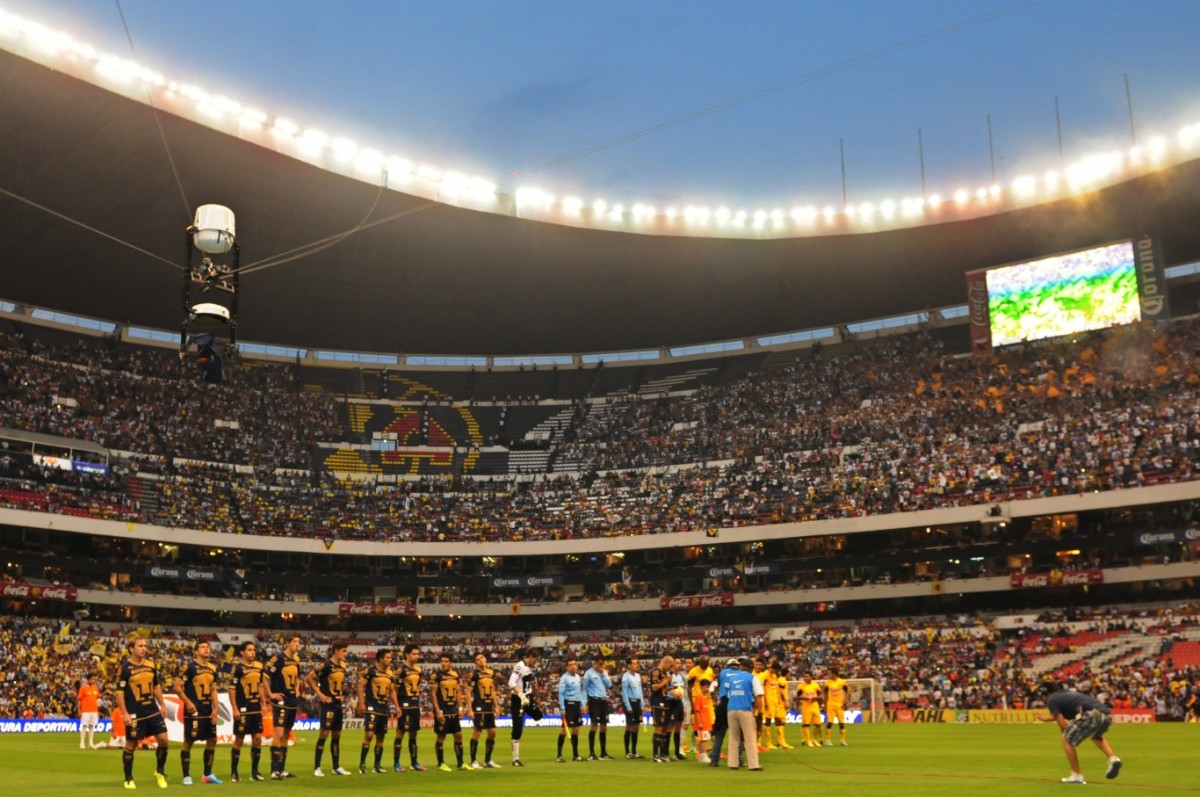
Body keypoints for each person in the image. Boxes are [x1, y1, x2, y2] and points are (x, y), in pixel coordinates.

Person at [115, 636, 170, 790]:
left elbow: (156, 686)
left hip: (152, 710)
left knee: (164, 739)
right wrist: (124, 713)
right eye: (140, 646)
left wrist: (162, 704)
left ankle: (159, 772)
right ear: (131, 649)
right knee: (131, 745)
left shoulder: (151, 664)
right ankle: (128, 778)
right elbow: (119, 693)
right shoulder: (125, 668)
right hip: (135, 712)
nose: (144, 648)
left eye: (145, 645)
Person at [1040, 683, 1122, 784]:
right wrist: (1046, 719)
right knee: (1095, 736)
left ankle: (1076, 775)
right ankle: (1113, 758)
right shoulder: (1066, 694)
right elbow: (1070, 715)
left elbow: (1062, 723)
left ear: (1045, 693)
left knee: (1066, 738)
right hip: (1106, 715)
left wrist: (1067, 736)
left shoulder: (1052, 699)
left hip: (1089, 714)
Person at [176, 640, 222, 785]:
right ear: (196, 651)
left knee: (212, 740)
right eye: (203, 647)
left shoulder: (212, 668)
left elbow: (213, 690)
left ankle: (207, 774)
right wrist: (188, 703)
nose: (206, 649)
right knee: (189, 741)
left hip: (208, 710)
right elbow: (177, 688)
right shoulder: (189, 667)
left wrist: (216, 708)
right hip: (194, 710)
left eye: (208, 647)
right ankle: (186, 776)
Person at [306, 640, 350, 777]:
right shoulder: (325, 666)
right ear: (336, 651)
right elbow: (309, 678)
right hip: (328, 704)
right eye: (343, 651)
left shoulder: (343, 665)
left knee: (337, 736)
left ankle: (336, 767)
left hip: (338, 704)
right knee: (324, 734)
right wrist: (320, 695)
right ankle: (317, 767)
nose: (346, 654)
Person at [264, 635, 303, 780]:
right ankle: (274, 770)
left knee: (286, 734)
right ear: (287, 643)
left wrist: (297, 689)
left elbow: (297, 677)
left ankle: (281, 769)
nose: (297, 644)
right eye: (295, 641)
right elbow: (265, 676)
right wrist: (270, 694)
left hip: (292, 700)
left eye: (299, 642)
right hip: (280, 701)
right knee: (278, 733)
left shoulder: (297, 660)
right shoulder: (278, 659)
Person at [229, 640, 267, 782]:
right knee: (239, 739)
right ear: (242, 652)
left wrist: (263, 703)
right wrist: (235, 708)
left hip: (255, 708)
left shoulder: (259, 666)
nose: (252, 652)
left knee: (257, 739)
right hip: (243, 708)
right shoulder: (237, 668)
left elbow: (261, 686)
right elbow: (231, 690)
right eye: (249, 650)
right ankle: (234, 772)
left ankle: (254, 772)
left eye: (253, 649)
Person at [358, 648, 400, 774]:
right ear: (380, 659)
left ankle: (377, 765)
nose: (390, 660)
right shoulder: (370, 671)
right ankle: (362, 764)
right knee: (369, 735)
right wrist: (362, 703)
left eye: (390, 657)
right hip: (372, 708)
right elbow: (360, 685)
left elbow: (392, 691)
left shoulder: (390, 673)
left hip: (383, 709)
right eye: (387, 657)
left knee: (381, 738)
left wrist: (397, 706)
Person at [431, 654, 469, 771]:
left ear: (451, 663)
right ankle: (441, 763)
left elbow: (458, 692)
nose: (443, 663)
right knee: (441, 736)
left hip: (453, 711)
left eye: (446, 661)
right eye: (442, 661)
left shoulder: (455, 675)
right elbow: (433, 694)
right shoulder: (436, 676)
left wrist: (460, 708)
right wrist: (437, 710)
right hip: (442, 711)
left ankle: (460, 763)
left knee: (458, 735)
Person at [725, 657, 763, 771]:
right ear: (752, 668)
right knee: (750, 737)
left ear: (741, 667)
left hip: (731, 709)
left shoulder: (732, 679)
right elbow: (759, 695)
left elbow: (729, 695)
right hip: (745, 709)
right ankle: (753, 764)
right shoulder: (752, 678)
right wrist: (760, 711)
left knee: (733, 738)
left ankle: (733, 763)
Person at [394, 643, 427, 772]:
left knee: (413, 734)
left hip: (415, 705)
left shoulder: (418, 670)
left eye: (418, 654)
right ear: (406, 655)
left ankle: (414, 763)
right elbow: (395, 690)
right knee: (400, 732)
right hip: (404, 705)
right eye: (413, 654)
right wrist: (397, 706)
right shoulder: (400, 670)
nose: (416, 656)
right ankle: (396, 764)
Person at [467, 652, 502, 769]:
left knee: (492, 732)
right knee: (477, 732)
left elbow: (492, 691)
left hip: (488, 707)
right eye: (477, 659)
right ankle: (473, 761)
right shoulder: (474, 675)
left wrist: (496, 706)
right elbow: (468, 692)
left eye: (481, 657)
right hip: (478, 707)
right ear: (475, 663)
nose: (480, 660)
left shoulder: (491, 673)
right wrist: (469, 709)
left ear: (485, 659)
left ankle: (488, 760)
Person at [508, 648, 540, 767]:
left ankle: (523, 714)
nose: (536, 662)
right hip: (518, 699)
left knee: (539, 715)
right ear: (530, 657)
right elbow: (511, 682)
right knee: (517, 729)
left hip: (528, 698)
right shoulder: (519, 666)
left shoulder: (530, 667)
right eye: (536, 659)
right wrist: (521, 695)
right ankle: (515, 759)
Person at [582, 655, 614, 760]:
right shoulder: (588, 673)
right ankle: (592, 753)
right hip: (594, 700)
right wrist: (584, 703)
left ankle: (603, 753)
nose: (601, 665)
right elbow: (584, 689)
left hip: (603, 700)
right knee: (594, 725)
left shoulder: (604, 672)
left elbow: (609, 685)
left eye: (602, 664)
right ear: (594, 663)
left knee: (604, 726)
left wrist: (603, 673)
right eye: (599, 664)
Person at [709, 658, 737, 768]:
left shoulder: (723, 672)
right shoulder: (741, 674)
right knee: (737, 735)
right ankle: (739, 759)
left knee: (719, 734)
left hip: (723, 705)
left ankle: (714, 759)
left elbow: (720, 686)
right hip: (736, 704)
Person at [556, 657, 585, 763]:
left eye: (574, 664)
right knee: (564, 730)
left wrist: (582, 704)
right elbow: (561, 693)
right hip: (568, 705)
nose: (573, 666)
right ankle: (559, 755)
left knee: (576, 730)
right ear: (567, 667)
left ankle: (575, 755)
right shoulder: (564, 678)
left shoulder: (578, 677)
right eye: (570, 665)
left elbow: (579, 692)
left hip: (576, 705)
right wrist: (562, 708)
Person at [648, 655, 673, 763]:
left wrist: (671, 689)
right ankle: (655, 755)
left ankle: (662, 754)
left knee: (664, 728)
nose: (670, 668)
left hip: (665, 701)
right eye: (670, 666)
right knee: (658, 727)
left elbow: (662, 687)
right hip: (657, 702)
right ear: (666, 663)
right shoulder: (656, 671)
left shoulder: (664, 673)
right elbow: (654, 687)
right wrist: (666, 681)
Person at [620, 657, 645, 759]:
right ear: (629, 665)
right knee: (629, 726)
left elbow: (640, 691)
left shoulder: (638, 676)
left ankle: (634, 751)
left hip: (637, 703)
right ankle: (627, 752)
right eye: (634, 663)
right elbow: (624, 693)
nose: (636, 665)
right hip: (630, 702)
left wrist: (642, 704)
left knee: (636, 727)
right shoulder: (625, 677)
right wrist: (628, 706)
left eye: (636, 663)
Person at [822, 666, 848, 747]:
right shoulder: (828, 683)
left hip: (840, 705)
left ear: (834, 674)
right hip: (831, 705)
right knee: (830, 723)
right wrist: (825, 705)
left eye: (830, 674)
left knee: (841, 723)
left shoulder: (842, 682)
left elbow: (847, 691)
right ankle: (828, 740)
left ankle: (842, 741)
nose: (829, 675)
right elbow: (825, 694)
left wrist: (846, 701)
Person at [771, 662, 794, 749]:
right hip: (780, 704)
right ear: (787, 674)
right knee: (781, 723)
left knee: (780, 723)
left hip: (780, 703)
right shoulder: (782, 680)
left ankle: (779, 742)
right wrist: (785, 702)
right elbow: (781, 692)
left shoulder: (780, 680)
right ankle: (781, 742)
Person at [797, 671, 823, 748]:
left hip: (815, 706)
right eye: (804, 676)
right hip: (806, 707)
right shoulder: (801, 686)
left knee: (818, 724)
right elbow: (798, 697)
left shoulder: (815, 685)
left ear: (811, 677)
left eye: (807, 676)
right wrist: (805, 698)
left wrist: (814, 698)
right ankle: (808, 740)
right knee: (806, 724)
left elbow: (820, 696)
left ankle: (813, 739)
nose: (805, 678)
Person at [692, 678, 714, 763]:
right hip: (702, 723)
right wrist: (699, 722)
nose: (708, 689)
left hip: (706, 722)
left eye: (708, 687)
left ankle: (701, 757)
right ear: (701, 687)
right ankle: (704, 756)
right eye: (706, 687)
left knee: (703, 739)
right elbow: (697, 711)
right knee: (703, 740)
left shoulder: (706, 698)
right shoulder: (699, 697)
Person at [78, 674, 101, 750]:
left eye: (94, 679)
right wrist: (79, 710)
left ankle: (91, 743)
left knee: (92, 726)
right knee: (84, 726)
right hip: (85, 710)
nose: (93, 681)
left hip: (94, 710)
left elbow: (97, 697)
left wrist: (105, 692)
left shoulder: (95, 688)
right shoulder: (83, 688)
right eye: (92, 679)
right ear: (88, 680)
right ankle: (82, 742)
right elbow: (79, 700)